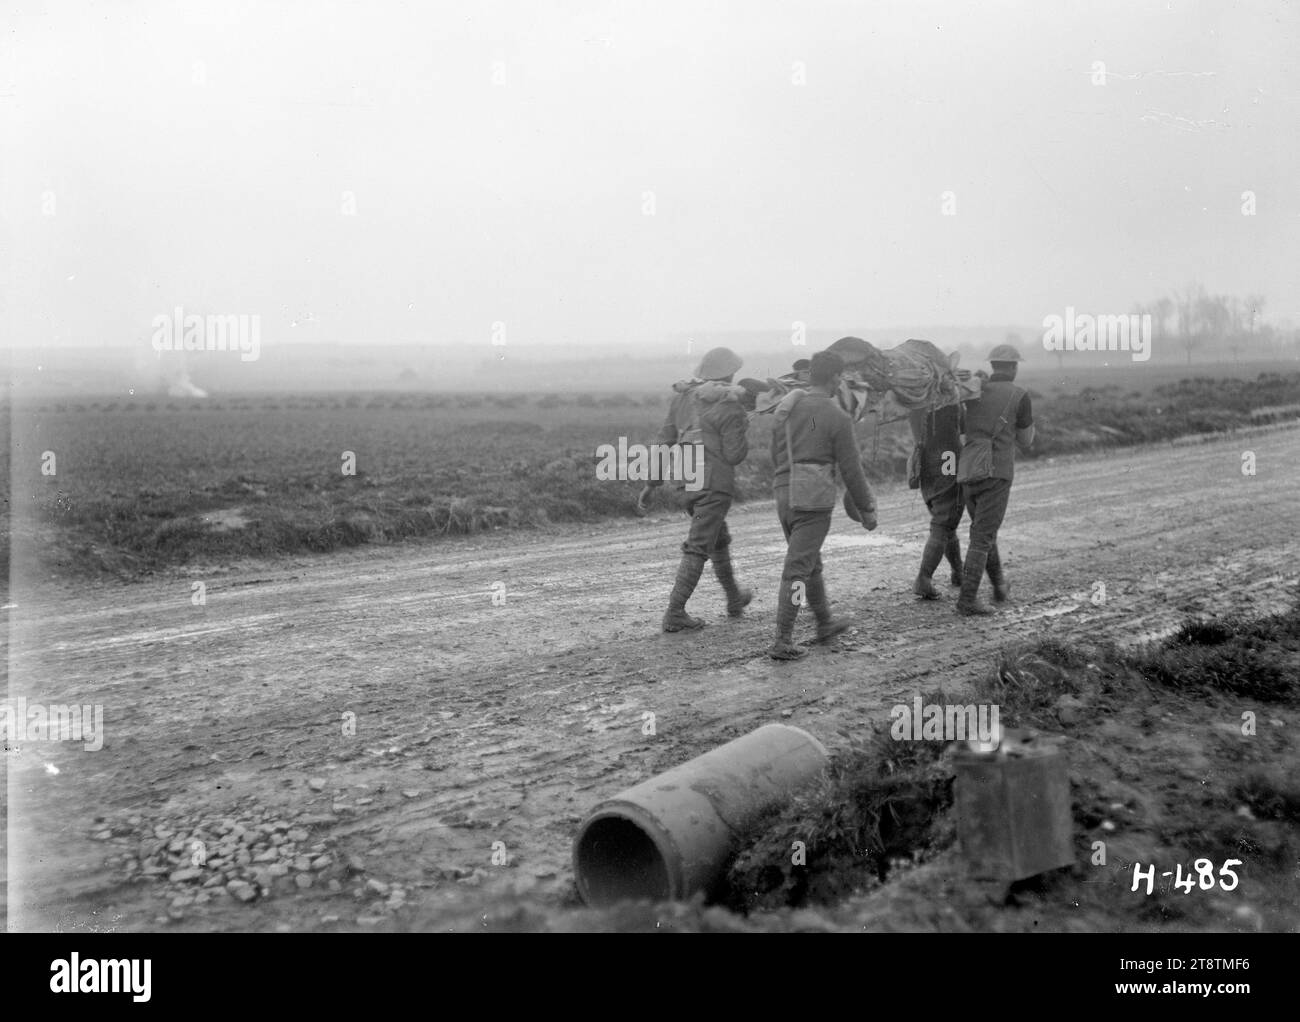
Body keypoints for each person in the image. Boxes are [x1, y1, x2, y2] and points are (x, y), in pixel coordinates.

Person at [767, 350, 879, 660]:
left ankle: (824, 623)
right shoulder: (837, 417)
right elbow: (851, 470)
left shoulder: (788, 408)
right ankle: (783, 640)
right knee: (799, 567)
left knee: (808, 561)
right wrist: (866, 509)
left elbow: (772, 454)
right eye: (840, 377)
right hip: (813, 499)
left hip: (783, 491)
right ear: (833, 378)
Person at [659, 347, 754, 632]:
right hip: (713, 482)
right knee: (700, 544)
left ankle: (734, 598)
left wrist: (651, 485)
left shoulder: (683, 396)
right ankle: (675, 612)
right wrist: (742, 424)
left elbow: (665, 439)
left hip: (687, 479)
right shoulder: (730, 406)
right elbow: (735, 454)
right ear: (731, 374)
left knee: (718, 538)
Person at [955, 344, 1035, 615]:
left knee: (983, 531)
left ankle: (999, 585)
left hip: (968, 471)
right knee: (983, 536)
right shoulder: (1019, 395)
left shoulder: (974, 391)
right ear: (1013, 368)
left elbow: (963, 430)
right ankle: (967, 601)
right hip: (997, 473)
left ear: (992, 366)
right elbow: (1026, 441)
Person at [908, 399, 967, 597]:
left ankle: (959, 572)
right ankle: (924, 578)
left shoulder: (917, 399)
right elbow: (964, 425)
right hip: (947, 457)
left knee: (945, 519)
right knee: (944, 520)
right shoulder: (950, 396)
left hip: (926, 460)